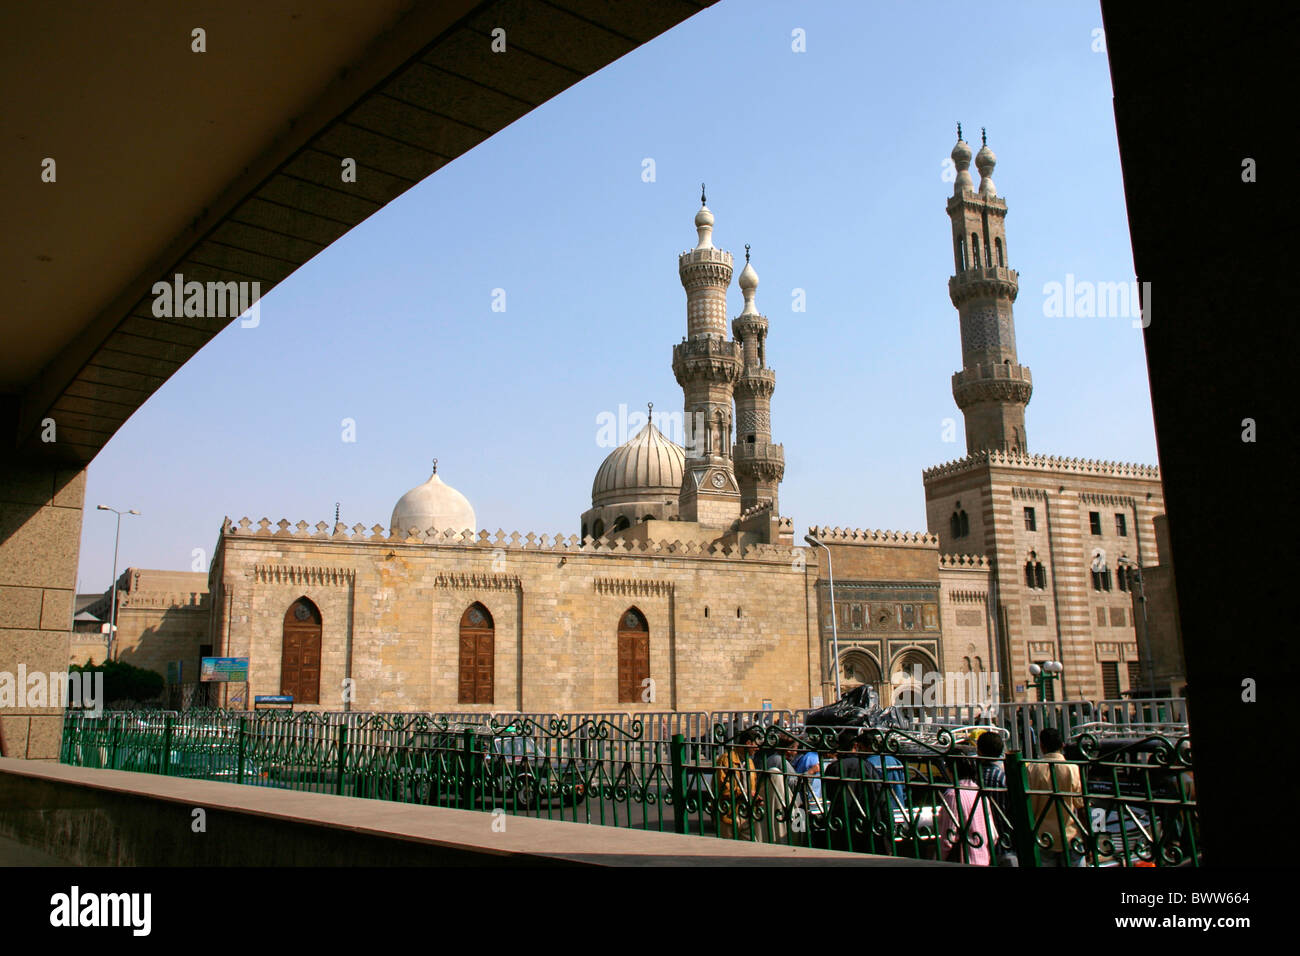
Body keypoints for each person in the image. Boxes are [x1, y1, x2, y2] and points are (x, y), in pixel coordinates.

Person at [1025, 727, 1086, 867]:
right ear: (1062, 745)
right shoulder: (1072, 769)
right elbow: (1081, 806)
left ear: (1042, 746)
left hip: (1043, 837)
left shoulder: (1032, 769)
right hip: (1069, 837)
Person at [938, 752, 997, 865]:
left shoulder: (953, 795)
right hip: (983, 859)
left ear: (950, 770)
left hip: (964, 859)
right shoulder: (979, 792)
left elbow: (948, 838)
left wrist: (936, 860)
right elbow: (993, 835)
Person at [975, 730, 1018, 866]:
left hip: (979, 845)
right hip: (1006, 844)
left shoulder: (973, 778)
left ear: (979, 751)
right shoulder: (1004, 778)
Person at [714, 727, 762, 840]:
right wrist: (745, 793)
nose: (757, 749)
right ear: (748, 743)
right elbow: (724, 788)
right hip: (730, 814)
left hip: (747, 813)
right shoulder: (726, 760)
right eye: (756, 745)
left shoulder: (750, 762)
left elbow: (753, 786)